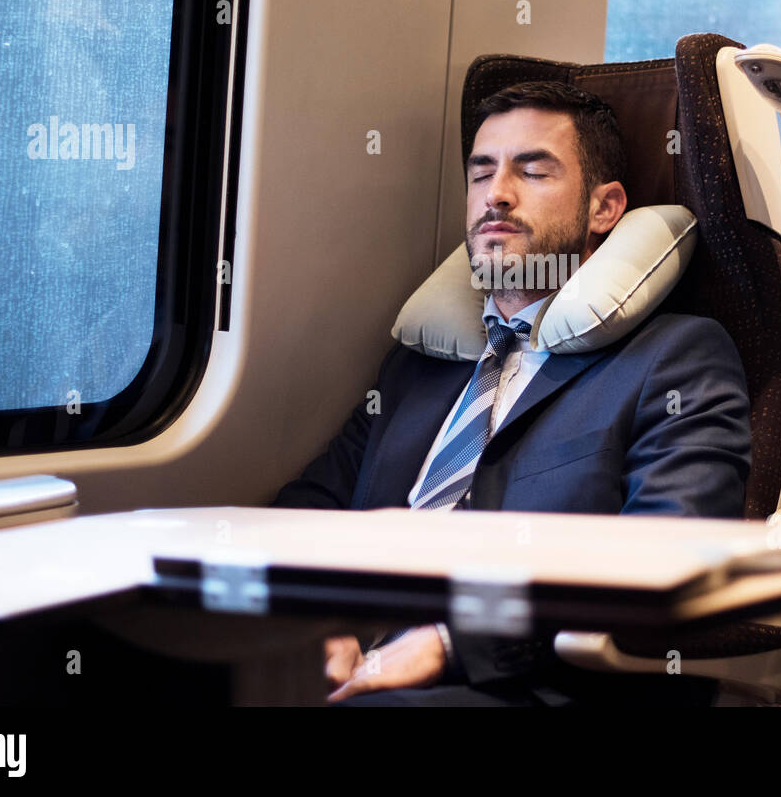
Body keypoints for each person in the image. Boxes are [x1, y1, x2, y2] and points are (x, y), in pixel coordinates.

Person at [272, 81, 752, 706]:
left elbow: (670, 557)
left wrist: (446, 642)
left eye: (533, 171)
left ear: (605, 209)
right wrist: (314, 619)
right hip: (359, 654)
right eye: (482, 173)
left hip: (520, 683)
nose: (496, 194)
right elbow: (313, 501)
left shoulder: (674, 358)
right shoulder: (421, 364)